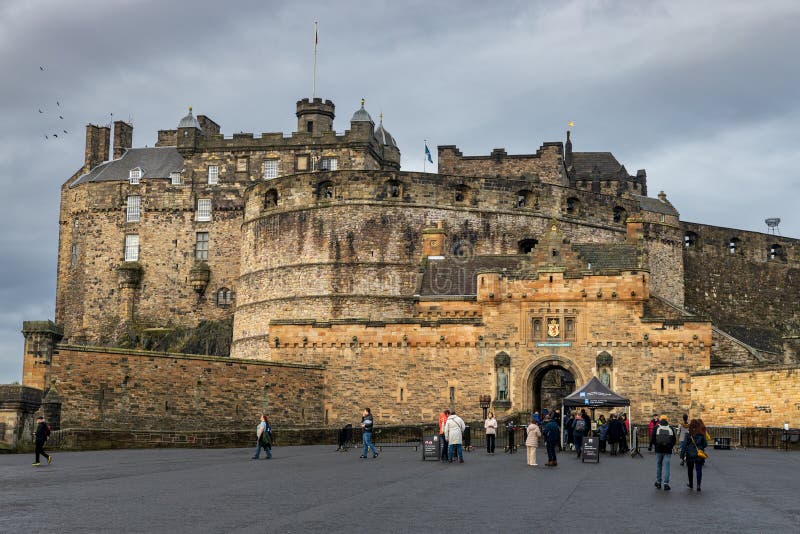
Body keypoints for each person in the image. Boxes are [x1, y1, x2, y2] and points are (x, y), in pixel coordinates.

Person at [681, 418, 708, 491]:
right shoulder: (701, 435)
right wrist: (700, 446)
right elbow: (705, 444)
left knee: (690, 469)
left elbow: (684, 446)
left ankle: (691, 484)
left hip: (690, 454)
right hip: (699, 454)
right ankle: (698, 485)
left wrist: (682, 455)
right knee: (699, 470)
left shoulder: (688, 435)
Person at [652, 415, 676, 490]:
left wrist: (656, 445)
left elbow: (653, 438)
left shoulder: (656, 427)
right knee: (667, 467)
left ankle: (658, 482)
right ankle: (666, 484)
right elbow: (674, 440)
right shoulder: (670, 428)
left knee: (659, 466)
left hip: (659, 450)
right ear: (667, 420)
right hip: (668, 450)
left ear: (660, 420)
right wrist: (670, 446)